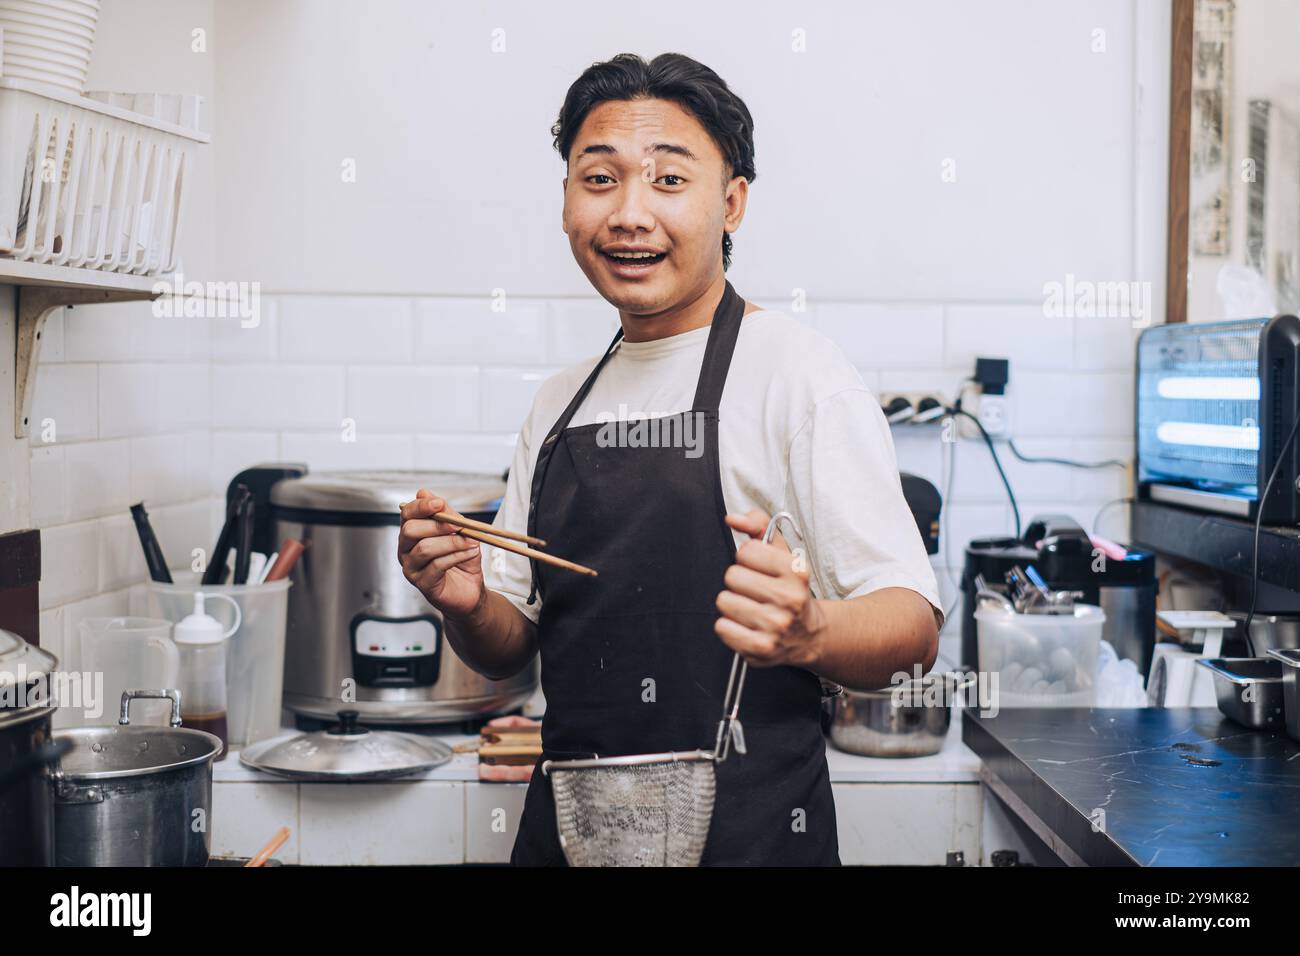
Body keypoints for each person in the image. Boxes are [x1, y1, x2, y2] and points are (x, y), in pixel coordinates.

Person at [399, 52, 942, 866]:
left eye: (668, 181)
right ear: (565, 204)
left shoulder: (797, 373)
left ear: (732, 203)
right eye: (599, 178)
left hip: (751, 839)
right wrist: (464, 603)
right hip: (571, 838)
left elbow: (912, 624)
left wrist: (813, 629)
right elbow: (511, 649)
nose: (628, 214)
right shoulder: (558, 403)